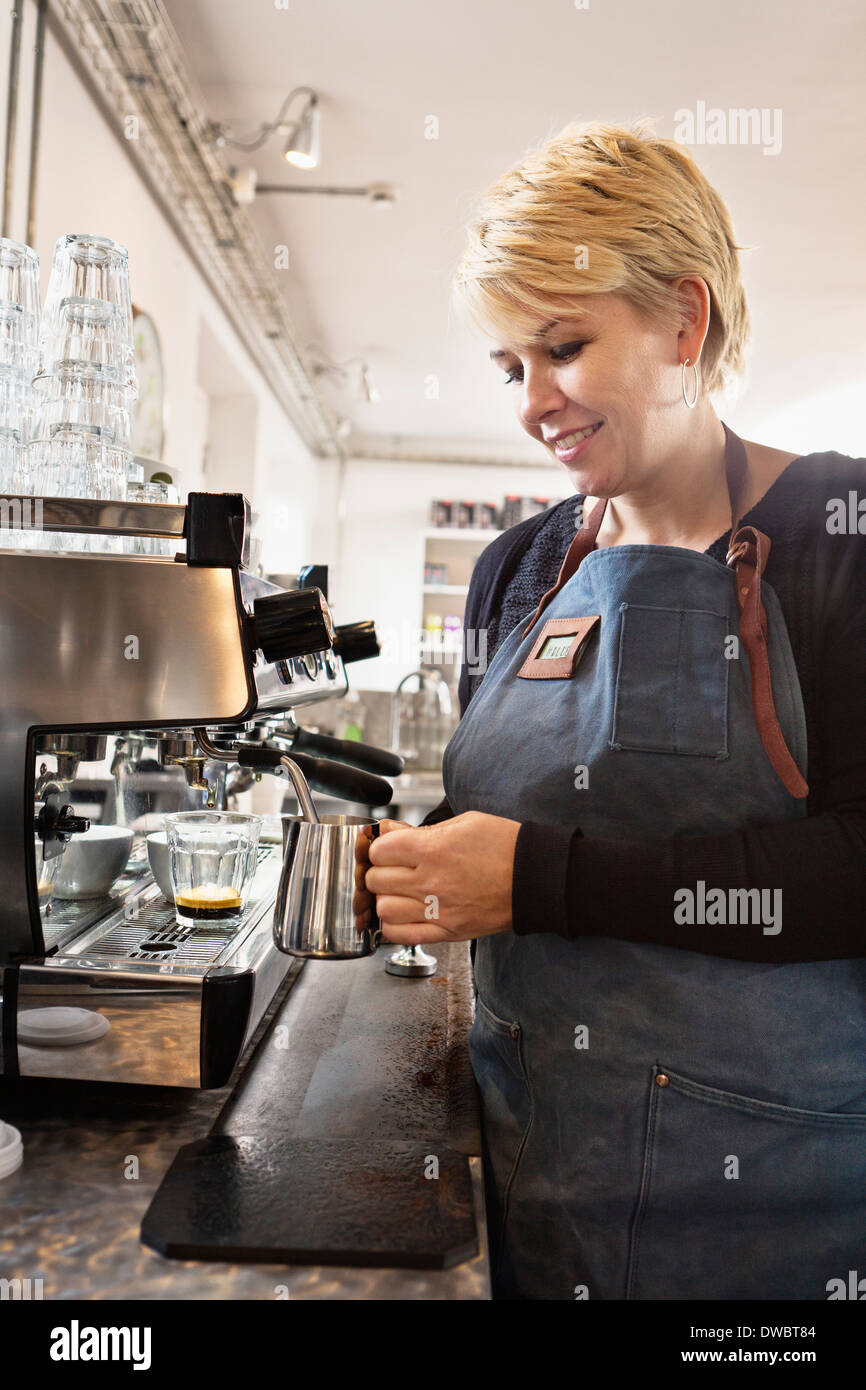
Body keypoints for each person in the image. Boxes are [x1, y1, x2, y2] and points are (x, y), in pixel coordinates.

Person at [355, 120, 866, 1300]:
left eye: (562, 347)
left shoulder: (841, 536)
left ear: (684, 323)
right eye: (506, 369)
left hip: (768, 1224)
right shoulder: (517, 567)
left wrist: (540, 880)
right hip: (533, 1178)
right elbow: (500, 812)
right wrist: (419, 862)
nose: (532, 403)